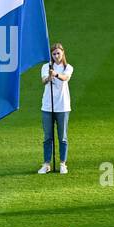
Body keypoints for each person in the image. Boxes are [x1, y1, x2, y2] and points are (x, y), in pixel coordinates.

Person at [39, 42, 71, 173]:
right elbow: (44, 81)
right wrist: (50, 76)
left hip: (62, 106)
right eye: (54, 54)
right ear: (51, 55)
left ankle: (63, 163)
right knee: (48, 136)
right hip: (48, 106)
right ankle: (46, 164)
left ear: (62, 53)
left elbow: (65, 78)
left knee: (62, 136)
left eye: (58, 53)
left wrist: (56, 75)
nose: (56, 56)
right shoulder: (46, 67)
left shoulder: (67, 67)